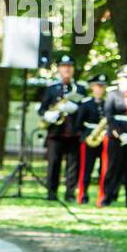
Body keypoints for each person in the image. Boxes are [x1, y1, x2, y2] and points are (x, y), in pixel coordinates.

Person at [37, 55, 86, 201]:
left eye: (69, 66)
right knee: (53, 164)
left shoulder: (80, 88)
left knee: (73, 166)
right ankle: (51, 193)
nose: (67, 69)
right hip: (55, 133)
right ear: (59, 69)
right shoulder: (52, 89)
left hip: (73, 133)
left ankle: (70, 194)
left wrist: (77, 108)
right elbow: (42, 109)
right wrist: (48, 115)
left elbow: (86, 109)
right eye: (64, 66)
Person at [100, 62, 127, 207]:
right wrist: (119, 135)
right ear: (119, 79)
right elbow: (109, 117)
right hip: (117, 137)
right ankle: (108, 197)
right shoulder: (112, 94)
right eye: (125, 78)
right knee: (113, 167)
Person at [73, 75, 109, 205]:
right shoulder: (86, 103)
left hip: (103, 138)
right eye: (97, 86)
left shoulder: (107, 103)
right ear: (92, 87)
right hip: (89, 138)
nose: (100, 89)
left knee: (104, 169)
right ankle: (82, 195)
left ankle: (102, 197)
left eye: (102, 86)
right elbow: (78, 124)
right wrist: (84, 136)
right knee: (86, 168)